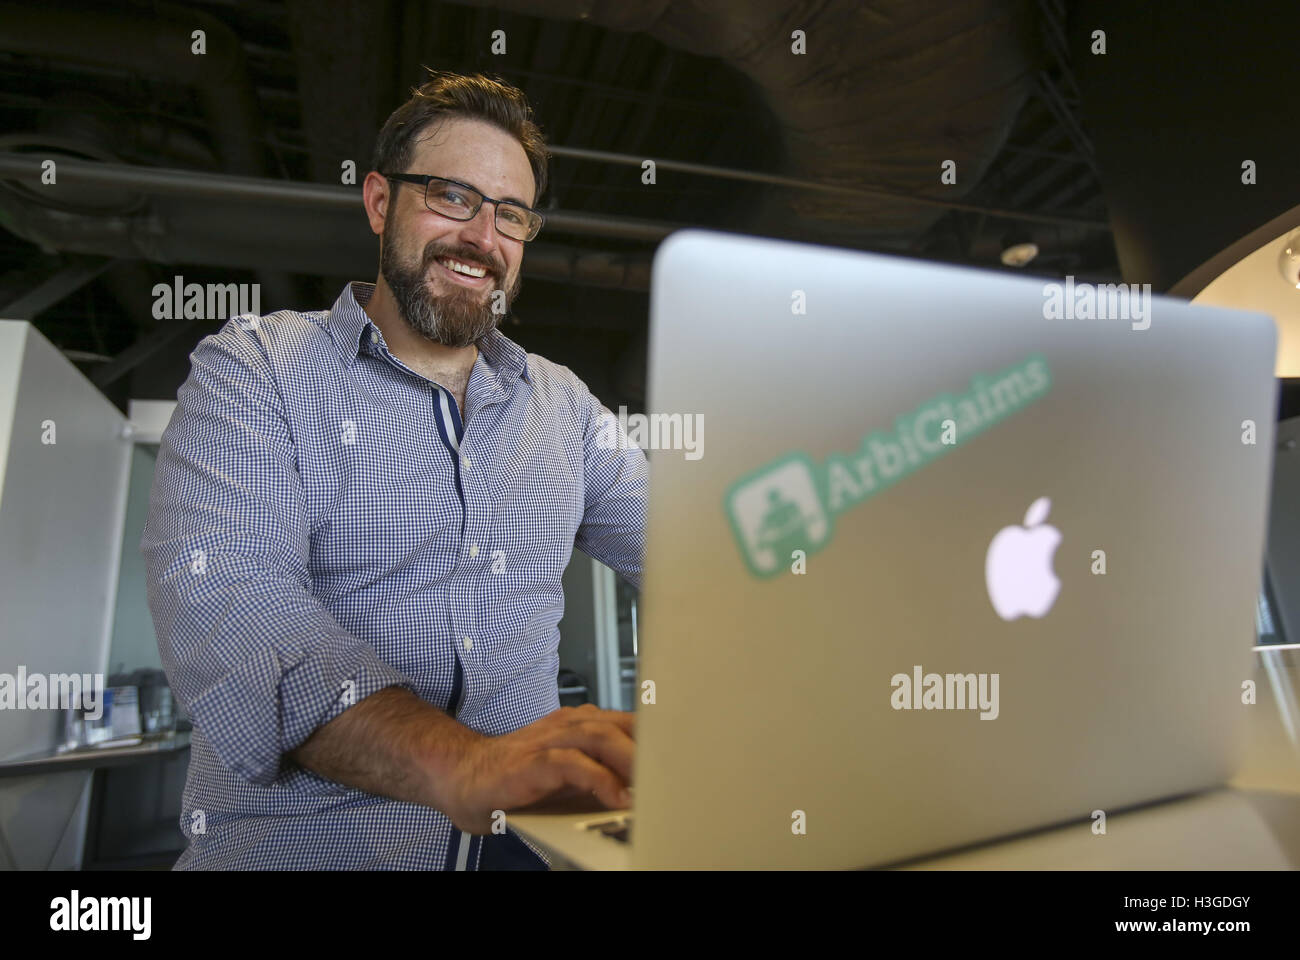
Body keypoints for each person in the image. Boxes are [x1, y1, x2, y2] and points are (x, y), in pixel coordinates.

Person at [141, 71, 647, 870]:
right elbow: (235, 612)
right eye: (453, 197)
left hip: (526, 851)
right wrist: (466, 766)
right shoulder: (257, 369)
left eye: (510, 215)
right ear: (380, 203)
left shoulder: (566, 407)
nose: (483, 237)